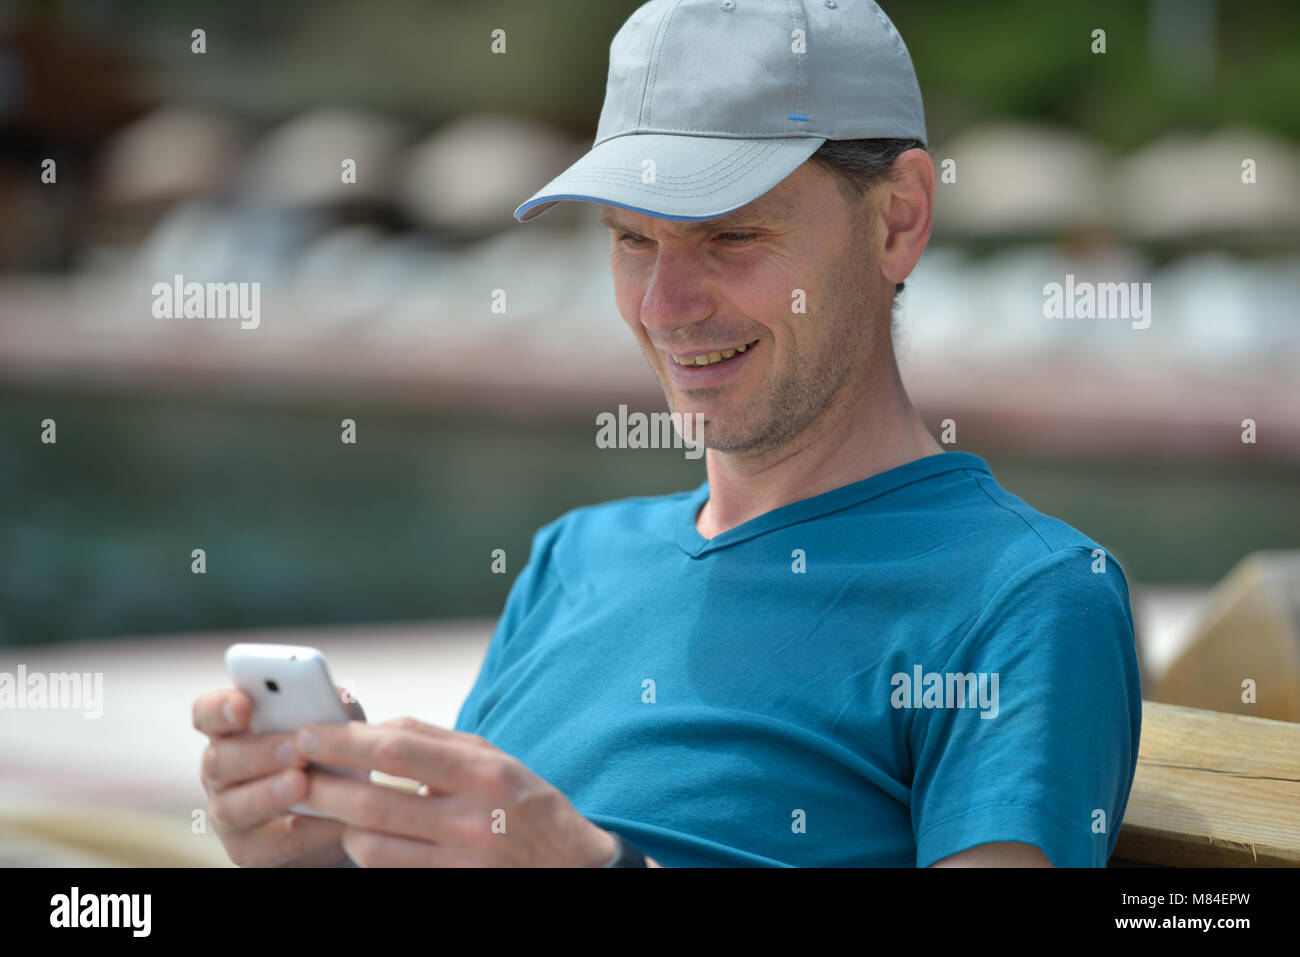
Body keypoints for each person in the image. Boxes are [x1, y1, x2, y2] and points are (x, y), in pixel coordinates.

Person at [193, 0, 1141, 868]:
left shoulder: (1024, 599)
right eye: (631, 239)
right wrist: (321, 852)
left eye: (730, 236)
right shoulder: (574, 557)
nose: (664, 306)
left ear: (899, 220)